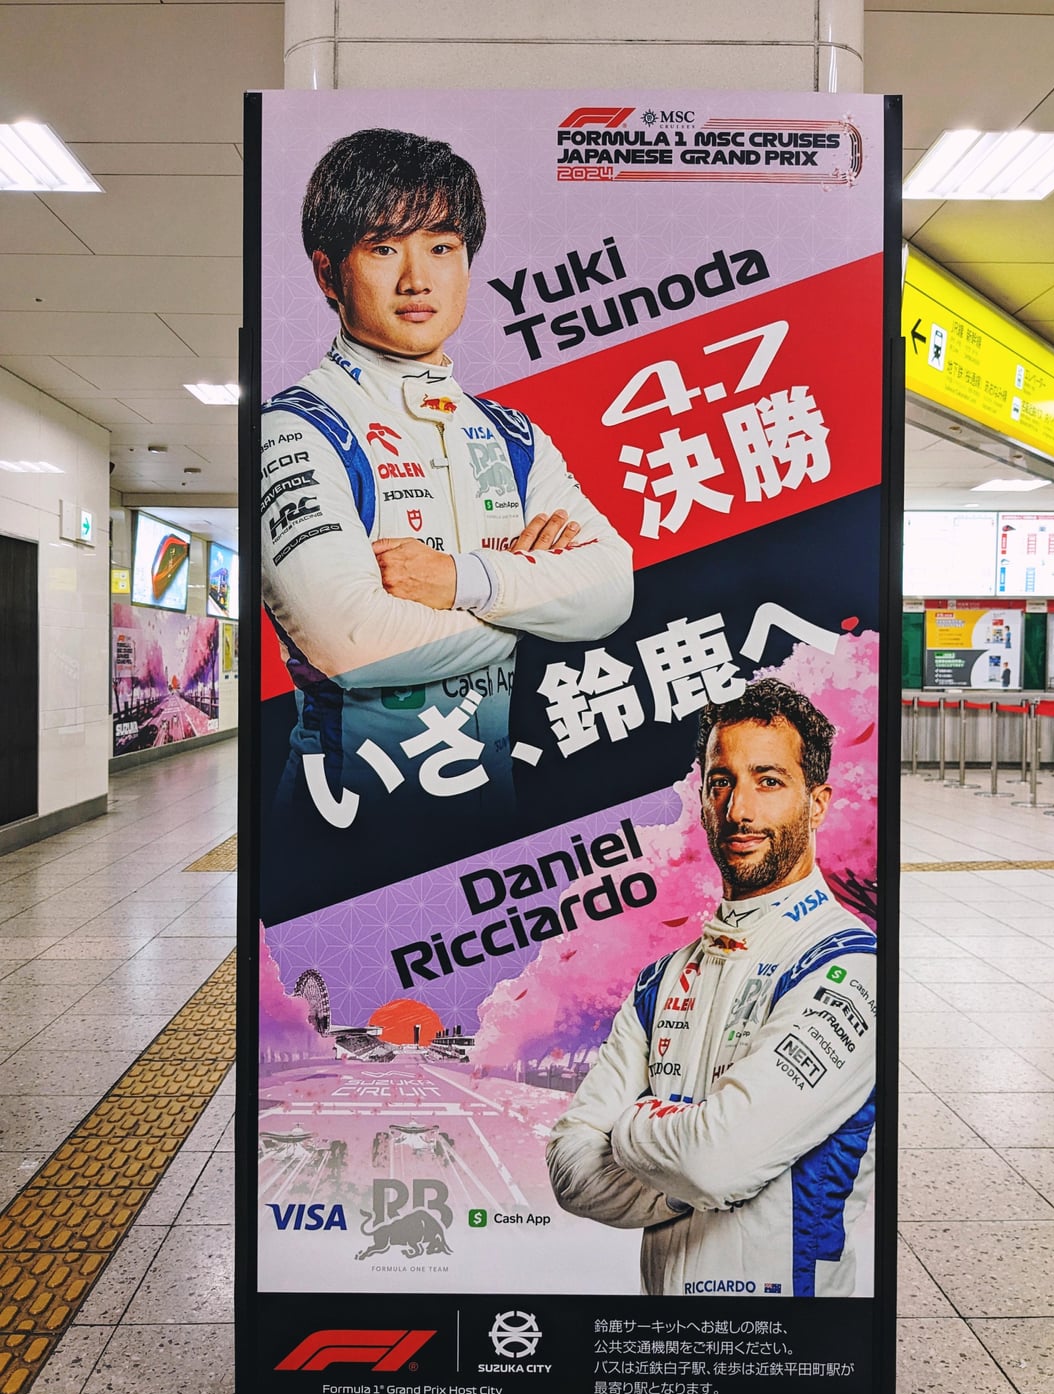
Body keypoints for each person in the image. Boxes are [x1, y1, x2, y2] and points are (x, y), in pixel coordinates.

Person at [260, 128, 633, 857]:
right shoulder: (296, 428)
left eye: (441, 246)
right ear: (328, 272)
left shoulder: (514, 436)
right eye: (382, 247)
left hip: (489, 818)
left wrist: (459, 579)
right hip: (341, 826)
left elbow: (612, 591)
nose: (416, 279)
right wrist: (539, 604)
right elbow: (357, 643)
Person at [546, 678, 877, 1298]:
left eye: (769, 781)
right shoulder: (665, 977)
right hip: (668, 1344)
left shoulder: (850, 964)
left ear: (817, 802)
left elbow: (716, 1162)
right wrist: (693, 1166)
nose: (740, 810)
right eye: (721, 781)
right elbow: (571, 1172)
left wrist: (629, 1129)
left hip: (787, 1341)